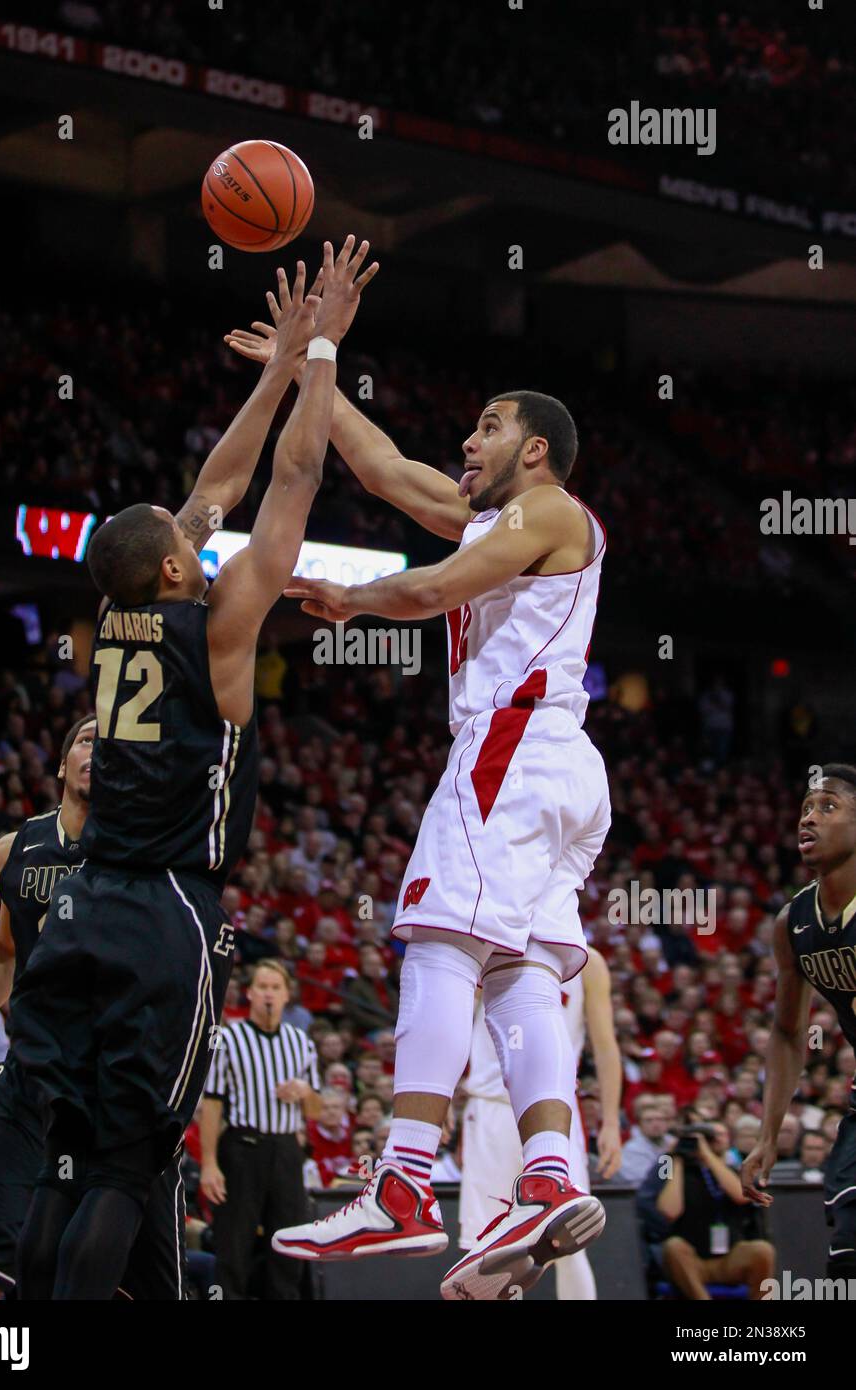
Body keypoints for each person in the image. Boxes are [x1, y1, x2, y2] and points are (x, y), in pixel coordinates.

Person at [9, 239, 378, 1300]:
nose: (193, 519)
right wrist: (321, 357)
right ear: (178, 565)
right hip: (167, 907)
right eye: (184, 533)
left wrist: (276, 366)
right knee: (129, 1166)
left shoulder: (125, 610)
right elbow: (292, 478)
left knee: (65, 1160)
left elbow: (217, 484)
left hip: (83, 909)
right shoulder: (219, 628)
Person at [235, 316, 610, 1297]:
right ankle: (549, 1176)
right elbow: (384, 468)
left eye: (486, 428)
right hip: (557, 771)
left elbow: (441, 586)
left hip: (512, 752)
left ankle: (403, 1181)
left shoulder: (553, 513)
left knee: (441, 934)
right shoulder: (495, 514)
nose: (465, 442)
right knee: (518, 965)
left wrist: (360, 600)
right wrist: (307, 365)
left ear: (534, 447)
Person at [0, 718, 187, 1299]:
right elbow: (3, 951)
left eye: (109, 743)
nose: (95, 750)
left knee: (148, 1280)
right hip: (32, 1074)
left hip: (114, 1080)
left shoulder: (143, 853)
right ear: (59, 763)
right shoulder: (14, 849)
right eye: (83, 739)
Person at [741, 764, 856, 1281]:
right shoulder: (794, 922)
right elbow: (788, 1033)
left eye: (828, 806)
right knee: (848, 1245)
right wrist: (768, 1135)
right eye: (806, 808)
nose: (809, 818)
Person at [457, 945, 621, 1299]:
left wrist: (611, 1122)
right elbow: (455, 1021)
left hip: (556, 1111)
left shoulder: (589, 962)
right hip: (491, 1106)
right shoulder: (489, 943)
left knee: (569, 1235)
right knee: (485, 1244)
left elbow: (605, 1045)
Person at [200, 959, 321, 1299]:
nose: (269, 994)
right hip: (242, 1146)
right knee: (233, 1245)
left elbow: (316, 1108)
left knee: (288, 1243)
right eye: (263, 987)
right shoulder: (228, 1038)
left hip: (286, 1149)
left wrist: (305, 1091)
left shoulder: (301, 1042)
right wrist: (209, 1163)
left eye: (276, 988)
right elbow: (212, 1103)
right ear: (249, 994)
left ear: (286, 996)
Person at [638, 1120, 774, 1300]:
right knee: (673, 1247)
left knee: (762, 1250)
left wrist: (708, 1156)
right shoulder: (667, 1168)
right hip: (692, 1260)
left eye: (710, 1139)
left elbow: (741, 1196)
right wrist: (676, 1160)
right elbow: (670, 1212)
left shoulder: (731, 1168)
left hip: (729, 1257)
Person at [617, 1098, 672, 1184]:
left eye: (660, 1119)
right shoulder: (632, 1149)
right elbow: (653, 1181)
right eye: (649, 1120)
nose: (656, 1124)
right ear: (639, 1125)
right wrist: (670, 1155)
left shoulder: (673, 1141)